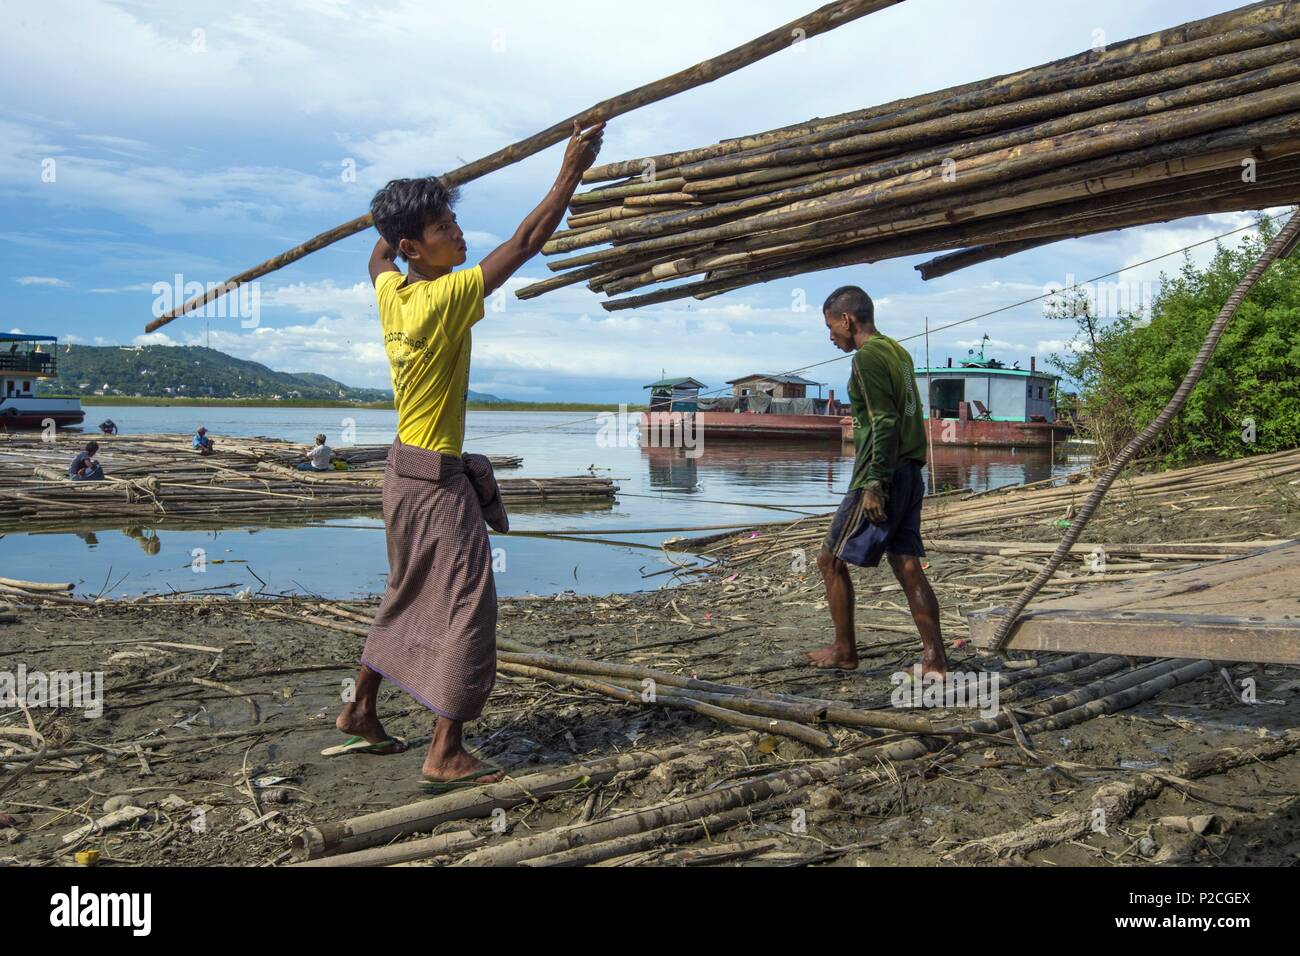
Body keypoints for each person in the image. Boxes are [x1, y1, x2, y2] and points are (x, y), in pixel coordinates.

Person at [332, 120, 605, 789]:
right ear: (414, 248)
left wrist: (408, 203)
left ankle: (361, 707)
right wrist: (571, 169)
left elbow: (374, 258)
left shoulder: (393, 291)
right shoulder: (440, 298)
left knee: (407, 592)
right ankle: (445, 750)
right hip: (432, 485)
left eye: (453, 220)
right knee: (467, 607)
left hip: (403, 472)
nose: (457, 233)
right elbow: (527, 241)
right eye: (444, 227)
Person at [808, 286, 948, 678]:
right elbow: (904, 413)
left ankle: (844, 650)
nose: (831, 335)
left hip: (881, 472)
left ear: (847, 320)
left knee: (829, 559)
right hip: (910, 471)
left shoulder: (867, 358)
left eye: (830, 326)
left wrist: (873, 482)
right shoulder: (896, 351)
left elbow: (884, 422)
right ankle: (935, 660)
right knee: (906, 564)